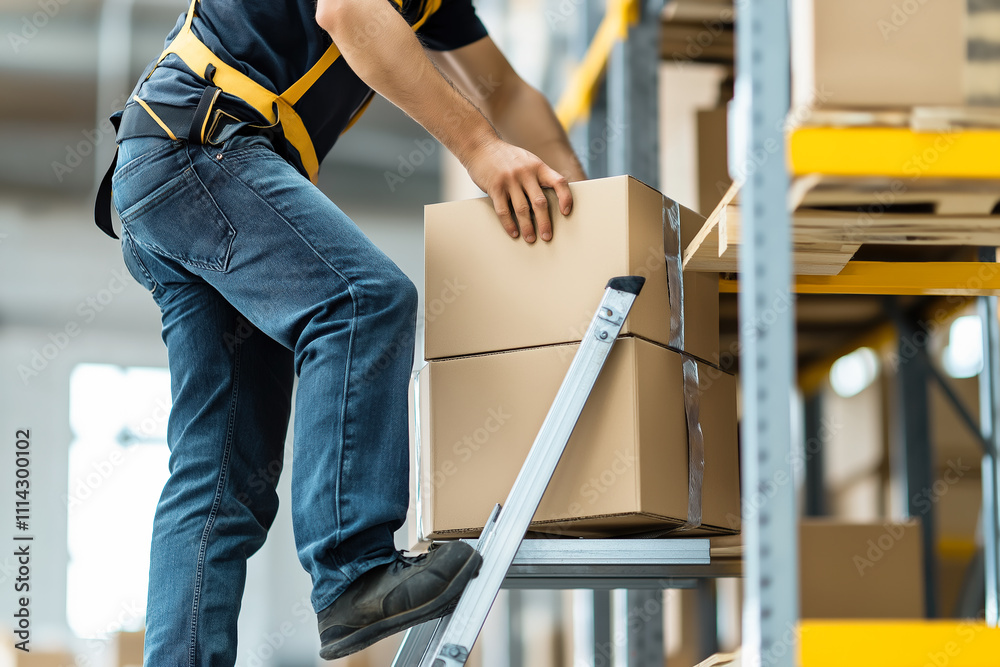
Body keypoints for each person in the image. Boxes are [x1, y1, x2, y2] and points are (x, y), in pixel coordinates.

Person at [96, 0, 586, 662]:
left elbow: (505, 91)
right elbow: (349, 13)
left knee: (220, 481)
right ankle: (352, 572)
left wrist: (592, 216)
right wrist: (480, 147)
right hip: (200, 144)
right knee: (361, 299)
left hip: (173, 165)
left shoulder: (436, 5)